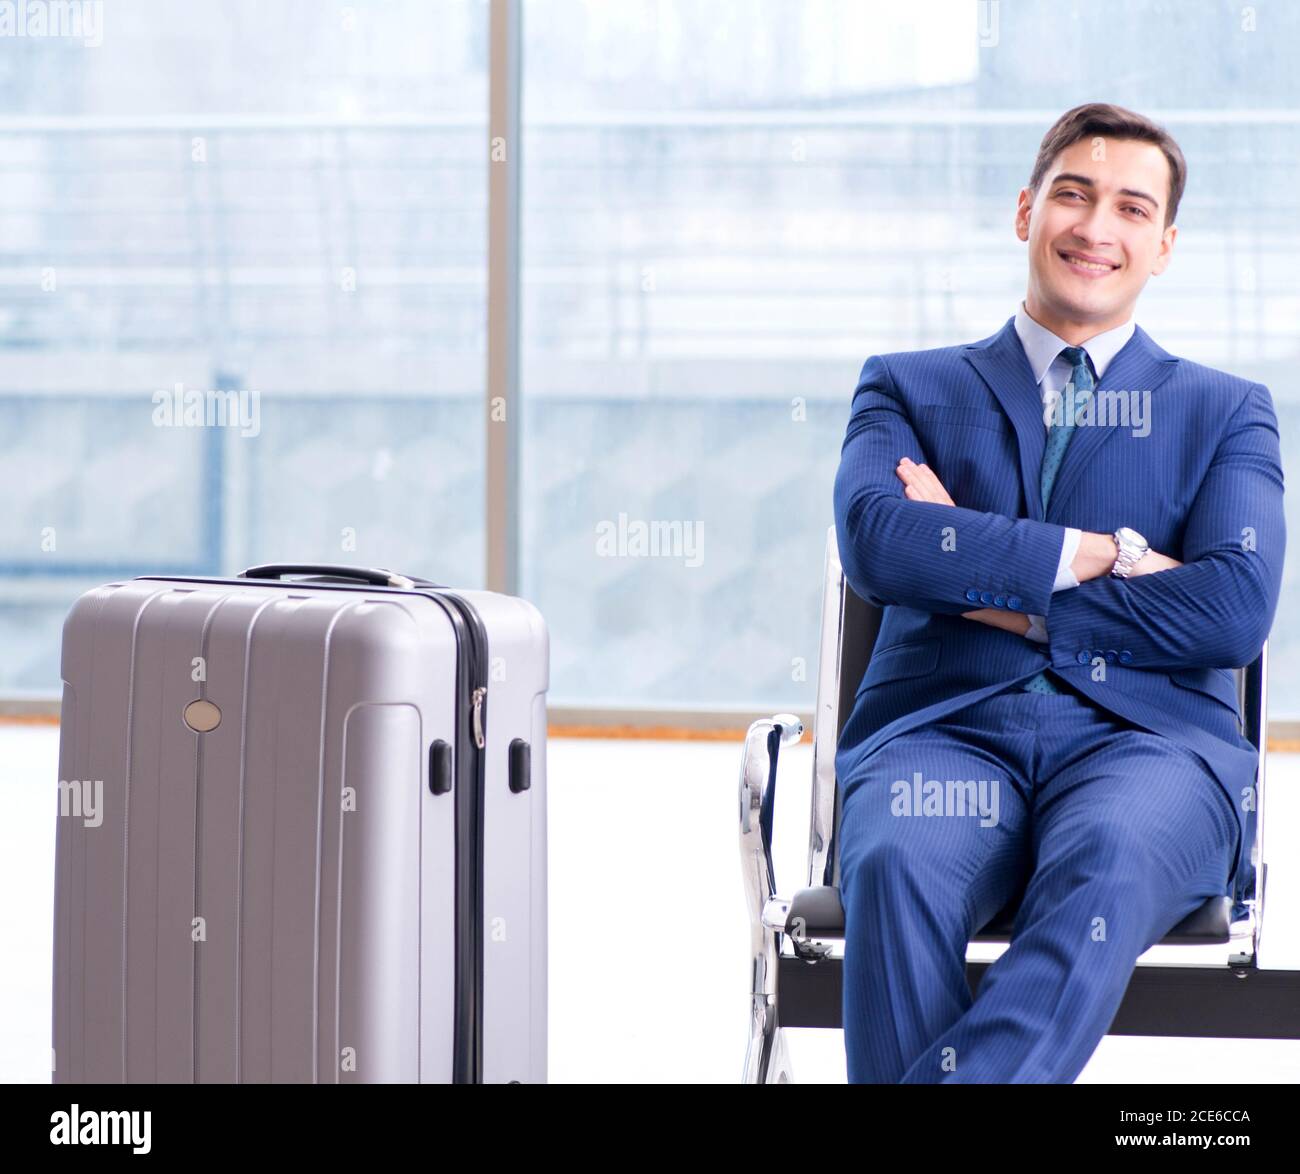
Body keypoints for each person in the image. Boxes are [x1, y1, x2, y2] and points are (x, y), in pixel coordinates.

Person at [831, 101, 1285, 1083]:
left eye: (1130, 207)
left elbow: (1232, 608)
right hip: (942, 727)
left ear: (1162, 246)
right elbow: (880, 543)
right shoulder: (909, 387)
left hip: (1152, 745)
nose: (1094, 228)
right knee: (896, 860)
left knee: (1107, 858)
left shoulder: (1224, 412)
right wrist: (1114, 552)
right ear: (1025, 211)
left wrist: (991, 575)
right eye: (1072, 196)